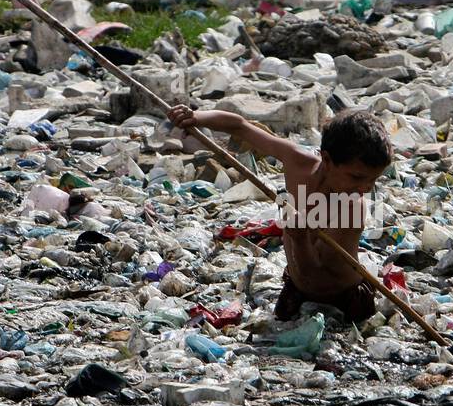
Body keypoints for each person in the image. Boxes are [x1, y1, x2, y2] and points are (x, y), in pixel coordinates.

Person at [167, 106, 393, 323]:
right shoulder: (298, 163)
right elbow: (240, 126)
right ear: (326, 159)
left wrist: (299, 238)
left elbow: (318, 280)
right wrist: (196, 117)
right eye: (357, 177)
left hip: (342, 301)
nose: (365, 188)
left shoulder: (352, 208)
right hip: (297, 286)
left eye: (373, 179)